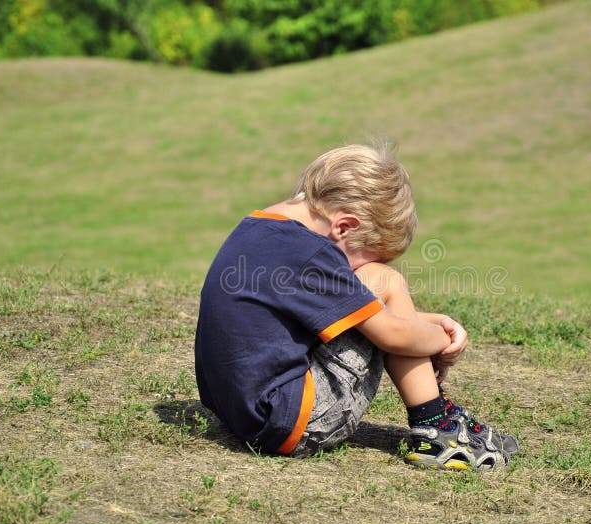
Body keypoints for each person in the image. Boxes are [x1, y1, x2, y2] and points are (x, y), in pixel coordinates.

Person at [195, 143, 517, 470]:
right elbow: (393, 334)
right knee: (385, 280)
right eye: (358, 263)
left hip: (241, 415)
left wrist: (427, 321)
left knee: (378, 297)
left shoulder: (261, 228)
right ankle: (436, 424)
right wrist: (442, 339)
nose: (352, 275)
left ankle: (440, 418)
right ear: (345, 227)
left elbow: (332, 310)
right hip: (292, 421)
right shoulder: (314, 253)